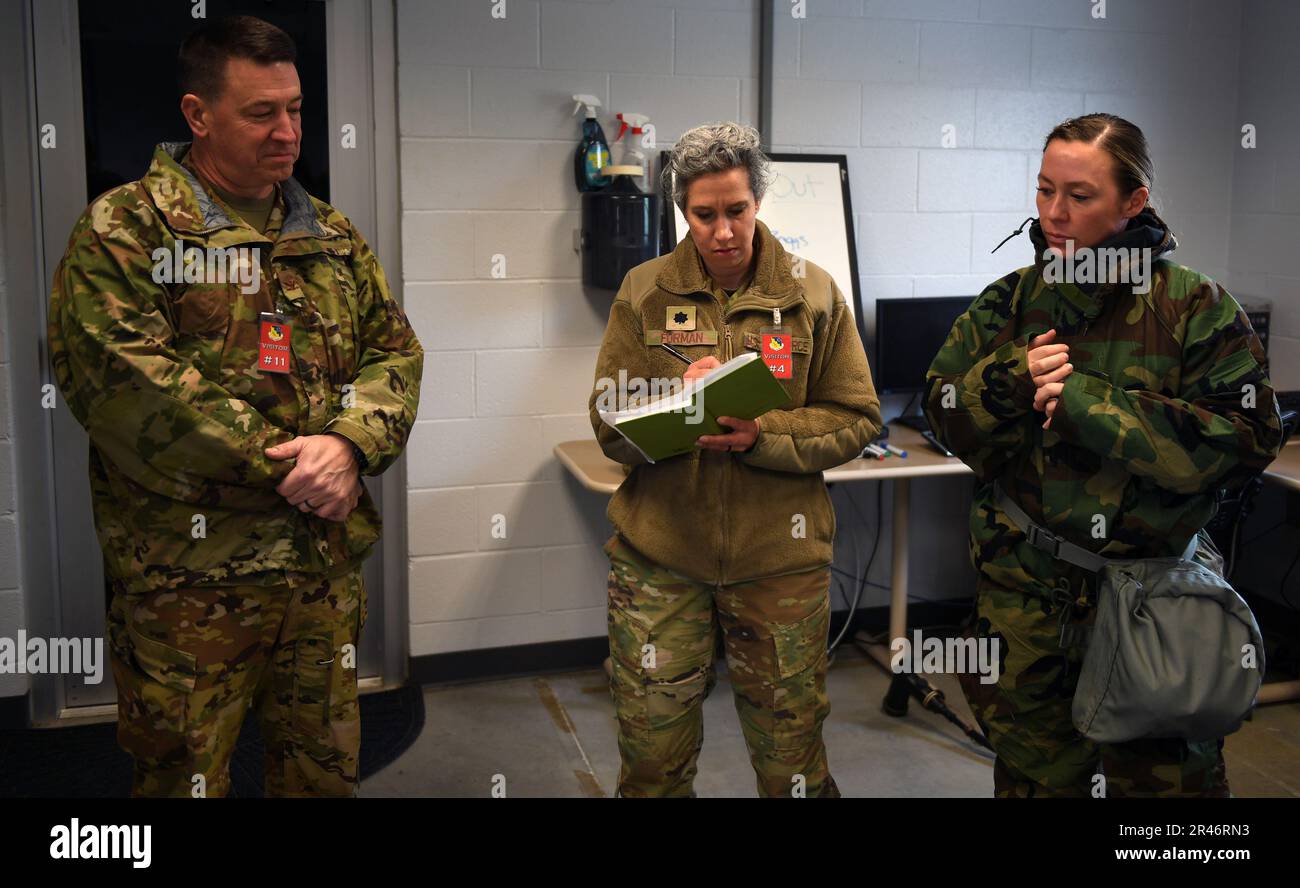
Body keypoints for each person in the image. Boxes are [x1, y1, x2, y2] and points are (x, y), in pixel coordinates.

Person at [47, 15, 423, 797]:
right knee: (185, 775)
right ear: (197, 115)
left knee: (321, 770)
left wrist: (350, 444)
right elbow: (124, 383)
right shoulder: (126, 229)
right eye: (261, 113)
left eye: (294, 108)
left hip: (319, 568)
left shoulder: (329, 233)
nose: (286, 131)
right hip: (189, 583)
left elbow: (396, 353)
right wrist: (293, 463)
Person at [923, 113, 1283, 797]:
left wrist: (1088, 405)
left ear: (1134, 201)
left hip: (1155, 601)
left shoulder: (1194, 308)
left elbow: (1243, 444)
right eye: (1044, 190)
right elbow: (944, 421)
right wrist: (1003, 382)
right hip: (1027, 605)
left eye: (1080, 196)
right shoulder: (1009, 303)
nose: (1055, 214)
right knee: (1033, 782)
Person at [588, 122, 881, 797]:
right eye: (704, 214)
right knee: (651, 762)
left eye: (737, 210)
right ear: (682, 211)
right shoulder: (644, 290)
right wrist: (673, 403)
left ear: (758, 202)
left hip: (779, 562)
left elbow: (857, 415)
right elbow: (607, 423)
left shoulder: (814, 293)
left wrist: (763, 434)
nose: (723, 231)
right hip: (661, 557)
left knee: (792, 765)